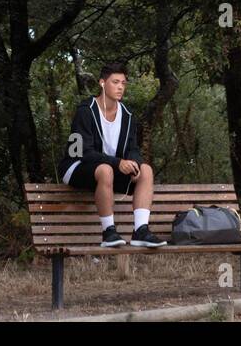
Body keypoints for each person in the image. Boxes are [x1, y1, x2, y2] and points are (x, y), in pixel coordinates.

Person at [58, 61, 168, 247]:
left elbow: (133, 148)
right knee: (105, 170)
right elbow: (80, 152)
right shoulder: (85, 111)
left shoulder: (127, 116)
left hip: (109, 168)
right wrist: (118, 163)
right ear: (102, 83)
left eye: (123, 83)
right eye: (115, 82)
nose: (120, 87)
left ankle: (141, 231)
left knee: (146, 170)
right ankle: (109, 232)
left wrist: (134, 163)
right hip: (76, 166)